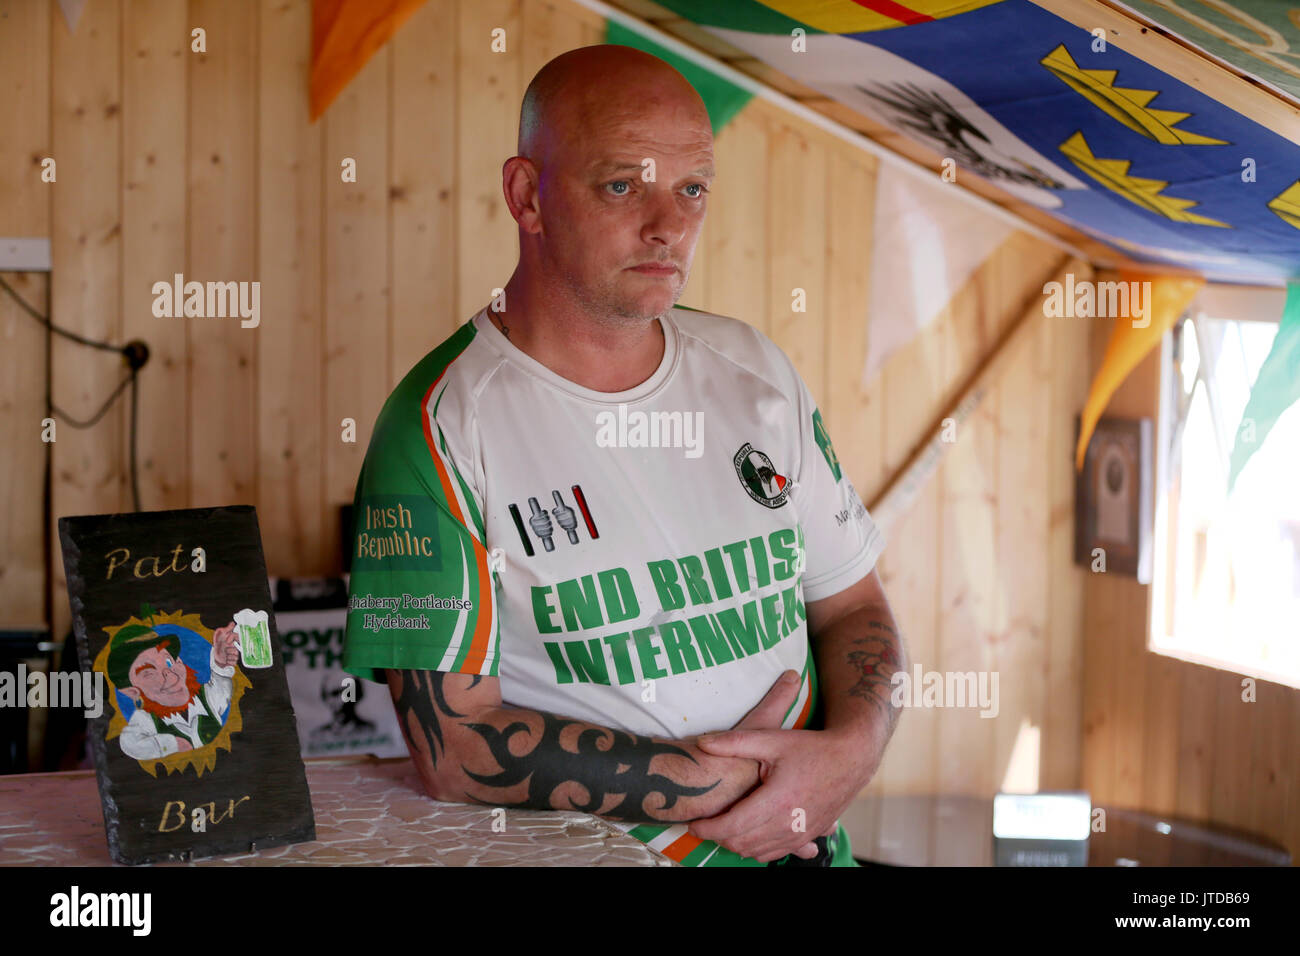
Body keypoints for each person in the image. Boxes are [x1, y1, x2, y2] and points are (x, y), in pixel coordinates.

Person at [342, 44, 906, 867]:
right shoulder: (438, 426)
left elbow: (854, 606)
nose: (668, 225)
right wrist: (732, 785)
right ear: (527, 196)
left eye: (692, 190)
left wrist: (853, 749)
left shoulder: (754, 370)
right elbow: (450, 746)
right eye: (622, 185)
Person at [109, 623, 239, 760]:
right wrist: (172, 744)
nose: (172, 676)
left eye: (169, 662)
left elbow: (222, 689)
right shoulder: (146, 720)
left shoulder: (206, 697)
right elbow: (129, 743)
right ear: (133, 692)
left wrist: (220, 664)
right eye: (149, 673)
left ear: (180, 662)